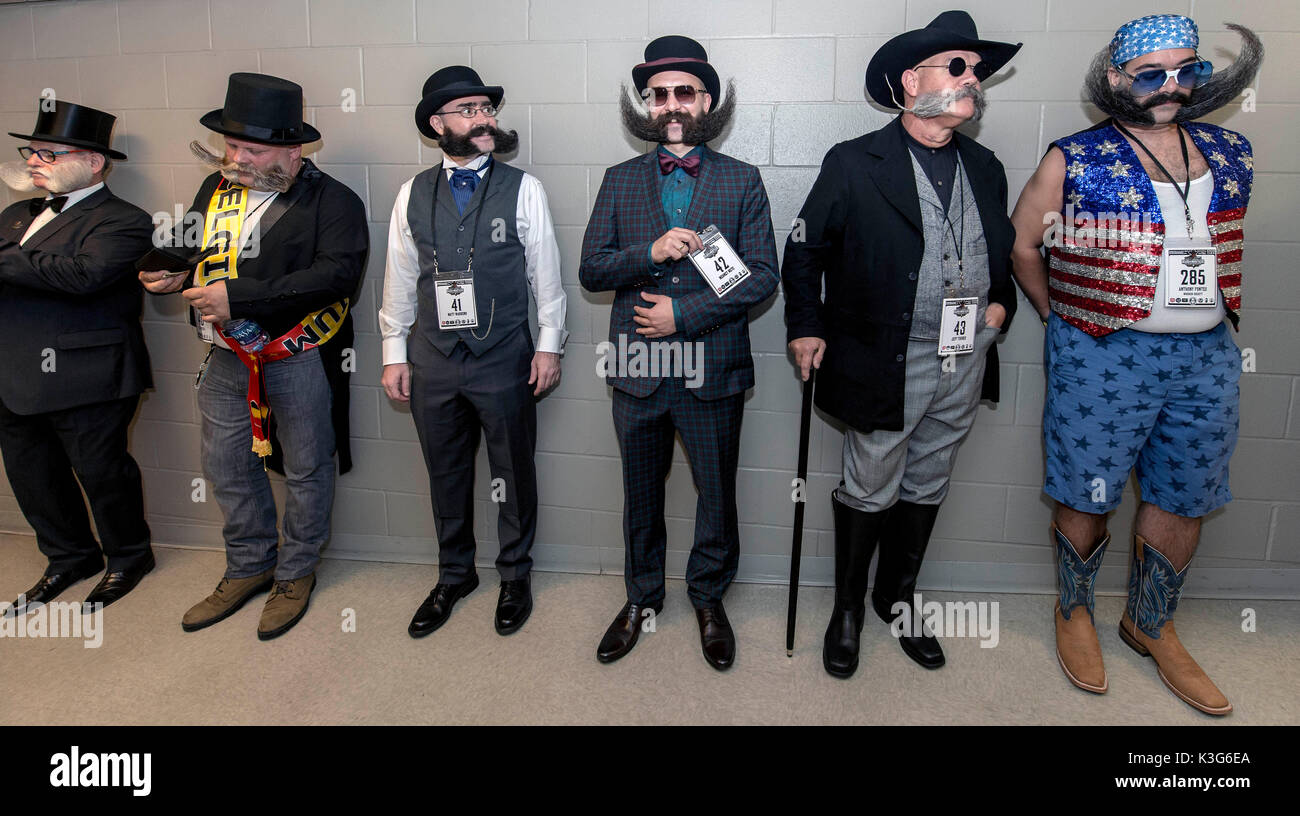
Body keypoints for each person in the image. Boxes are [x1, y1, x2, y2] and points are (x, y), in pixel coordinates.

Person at [1010, 15, 1261, 715]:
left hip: (1207, 354)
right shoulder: (1076, 156)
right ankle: (1076, 612)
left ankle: (1150, 624)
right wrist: (1060, 315)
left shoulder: (1233, 152)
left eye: (1187, 71)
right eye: (1151, 75)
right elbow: (1024, 245)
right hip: (1102, 349)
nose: (1171, 87)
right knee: (1086, 486)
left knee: (1186, 490)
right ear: (1117, 79)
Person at [782, 10, 1020, 677]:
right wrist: (806, 324)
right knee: (872, 480)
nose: (974, 80)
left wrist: (1000, 307)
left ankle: (899, 598)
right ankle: (851, 609)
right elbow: (803, 251)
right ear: (913, 81)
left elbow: (996, 249)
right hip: (887, 355)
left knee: (930, 476)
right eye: (960, 67)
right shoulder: (855, 161)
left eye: (978, 72)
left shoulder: (986, 166)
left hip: (966, 353)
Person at [140, 73, 368, 640]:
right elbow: (188, 245)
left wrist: (235, 297)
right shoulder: (215, 191)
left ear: (293, 151)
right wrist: (160, 267)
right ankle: (248, 565)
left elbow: (336, 276)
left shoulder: (334, 201)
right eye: (232, 146)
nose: (236, 158)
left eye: (252, 149)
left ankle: (295, 574)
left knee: (307, 465)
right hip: (224, 356)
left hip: (297, 352)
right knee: (226, 466)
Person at [580, 36, 778, 670]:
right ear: (647, 104)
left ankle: (709, 598)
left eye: (683, 93)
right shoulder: (618, 181)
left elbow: (762, 276)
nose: (670, 105)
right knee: (641, 495)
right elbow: (590, 269)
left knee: (715, 494)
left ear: (706, 101)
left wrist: (683, 313)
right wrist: (649, 254)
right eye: (658, 94)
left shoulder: (742, 181)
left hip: (712, 368)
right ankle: (641, 598)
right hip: (637, 371)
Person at [379, 65, 566, 638]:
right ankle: (455, 573)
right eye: (469, 110)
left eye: (487, 109)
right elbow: (399, 275)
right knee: (446, 472)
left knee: (514, 468)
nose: (484, 119)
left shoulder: (523, 188)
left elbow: (546, 278)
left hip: (504, 354)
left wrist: (549, 347)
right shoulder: (412, 193)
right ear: (438, 124)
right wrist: (393, 350)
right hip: (433, 356)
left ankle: (514, 575)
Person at [0, 100, 154, 612]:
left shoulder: (124, 220)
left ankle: (129, 556)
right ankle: (69, 556)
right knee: (33, 476)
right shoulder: (16, 214)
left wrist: (13, 259)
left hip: (89, 373)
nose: (34, 161)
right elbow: (38, 271)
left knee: (102, 473)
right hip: (14, 373)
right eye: (31, 151)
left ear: (93, 162)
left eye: (48, 152)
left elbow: (82, 277)